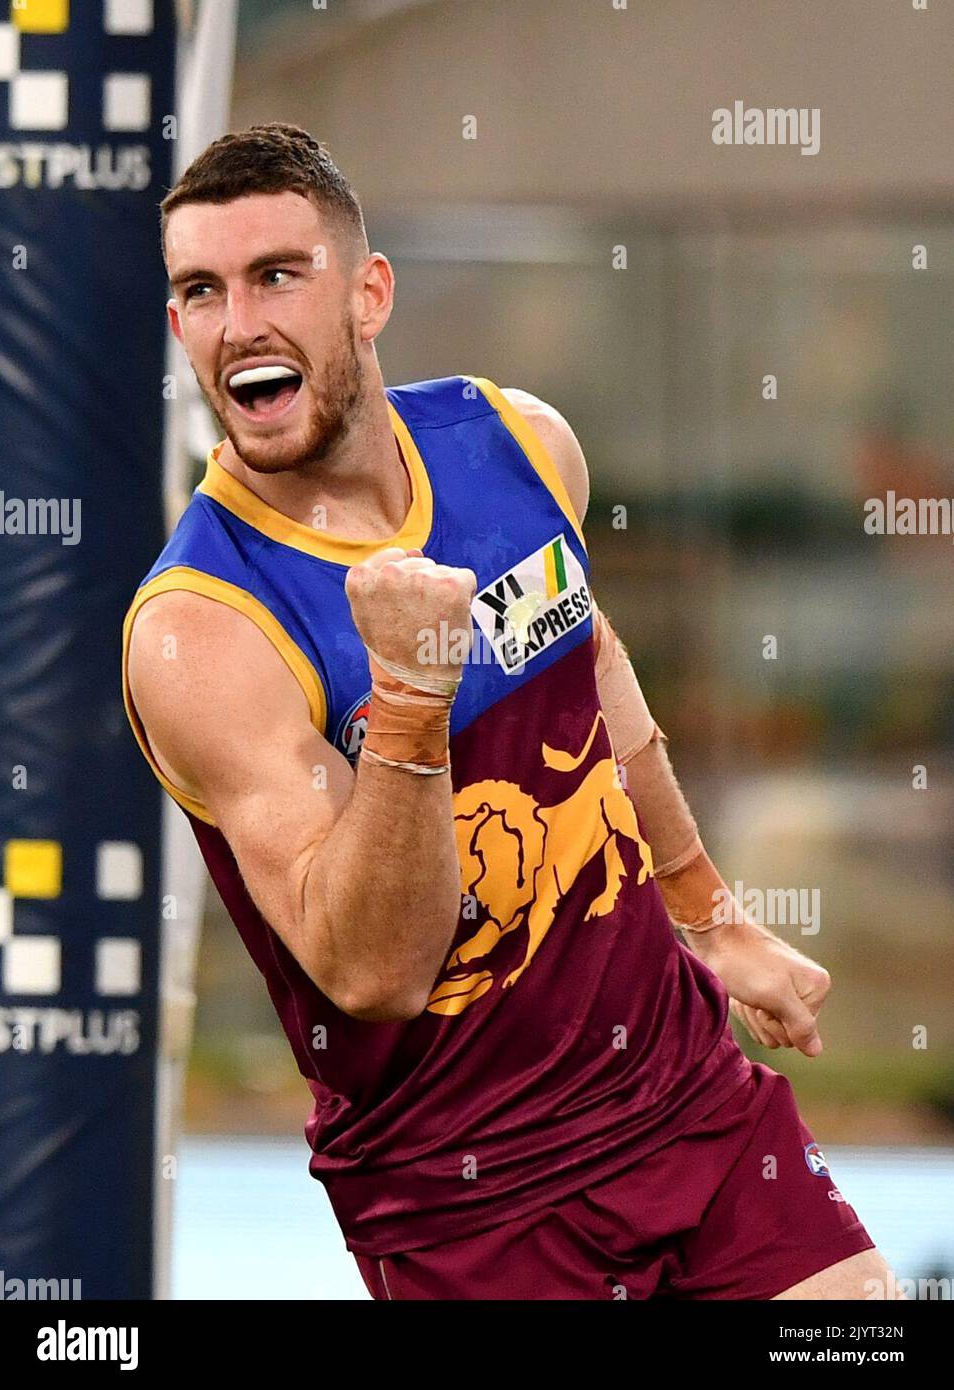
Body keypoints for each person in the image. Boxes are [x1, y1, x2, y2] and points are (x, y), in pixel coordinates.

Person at [124, 123, 898, 1300]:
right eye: (200, 291)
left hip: (689, 1104)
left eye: (277, 274)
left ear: (368, 293)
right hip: (473, 1205)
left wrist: (711, 913)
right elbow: (372, 972)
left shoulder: (520, 443)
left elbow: (589, 666)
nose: (238, 324)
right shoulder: (203, 633)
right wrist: (409, 697)